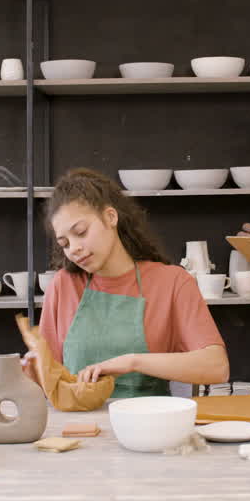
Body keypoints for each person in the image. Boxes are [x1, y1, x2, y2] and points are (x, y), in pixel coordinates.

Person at [26, 168, 229, 397]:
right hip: (78, 428)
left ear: (110, 217)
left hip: (149, 426)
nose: (73, 249)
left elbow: (217, 368)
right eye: (64, 243)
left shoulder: (172, 282)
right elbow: (48, 379)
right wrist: (32, 372)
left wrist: (133, 362)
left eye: (81, 232)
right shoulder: (63, 285)